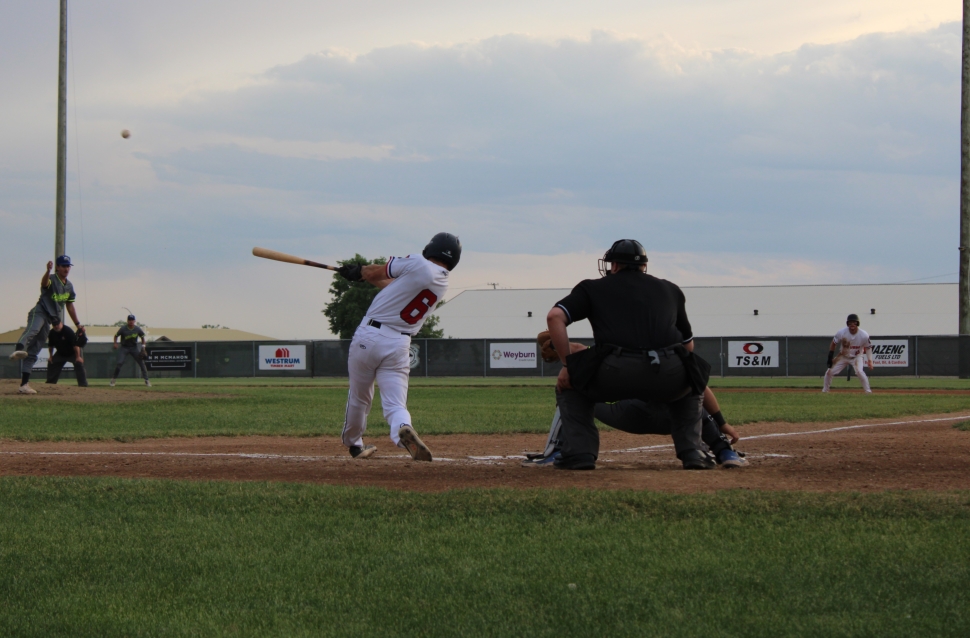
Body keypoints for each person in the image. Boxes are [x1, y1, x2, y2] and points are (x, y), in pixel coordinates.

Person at [546, 239, 714, 470]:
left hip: (614, 369)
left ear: (614, 265)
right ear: (644, 266)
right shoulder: (670, 289)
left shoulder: (592, 287)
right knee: (692, 377)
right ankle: (693, 451)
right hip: (668, 371)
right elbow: (688, 347)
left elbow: (554, 317)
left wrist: (568, 365)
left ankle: (579, 454)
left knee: (569, 385)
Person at [335, 232, 461, 461]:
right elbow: (391, 285)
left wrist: (360, 271)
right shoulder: (441, 282)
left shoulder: (418, 262)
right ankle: (402, 427)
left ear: (431, 248)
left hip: (370, 335)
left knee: (360, 396)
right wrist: (362, 275)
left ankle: (354, 444)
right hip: (399, 344)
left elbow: (375, 272)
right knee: (395, 403)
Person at [8, 256, 85, 395]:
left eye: (68, 266)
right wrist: (47, 271)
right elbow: (44, 284)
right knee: (33, 329)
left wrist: (78, 324)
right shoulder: (52, 279)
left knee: (35, 349)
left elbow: (70, 306)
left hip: (49, 320)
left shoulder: (69, 286)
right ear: (57, 267)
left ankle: (24, 385)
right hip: (39, 312)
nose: (66, 268)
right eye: (63, 266)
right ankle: (18, 349)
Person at [822, 313, 873, 393]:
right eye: (850, 322)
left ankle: (868, 391)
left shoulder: (863, 335)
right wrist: (830, 356)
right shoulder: (842, 332)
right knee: (829, 372)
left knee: (859, 372)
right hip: (843, 356)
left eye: (854, 322)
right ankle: (825, 390)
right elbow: (834, 343)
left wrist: (870, 360)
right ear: (847, 323)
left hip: (856, 356)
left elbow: (868, 347)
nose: (852, 324)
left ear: (857, 323)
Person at [45, 316, 89, 387]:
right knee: (52, 362)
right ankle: (50, 384)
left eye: (57, 324)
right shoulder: (52, 333)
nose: (56, 326)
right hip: (61, 353)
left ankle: (83, 385)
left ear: (61, 323)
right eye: (54, 325)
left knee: (79, 363)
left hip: (73, 352)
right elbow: (51, 346)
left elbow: (76, 345)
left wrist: (78, 357)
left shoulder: (68, 331)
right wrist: (51, 356)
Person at [110, 314, 151, 387]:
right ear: (127, 321)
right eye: (130, 320)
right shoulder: (123, 328)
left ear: (134, 321)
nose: (131, 321)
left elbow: (142, 337)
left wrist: (143, 347)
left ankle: (147, 380)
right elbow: (116, 335)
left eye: (132, 320)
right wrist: (115, 343)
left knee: (141, 363)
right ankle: (113, 379)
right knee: (119, 363)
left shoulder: (137, 329)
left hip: (134, 347)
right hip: (124, 347)